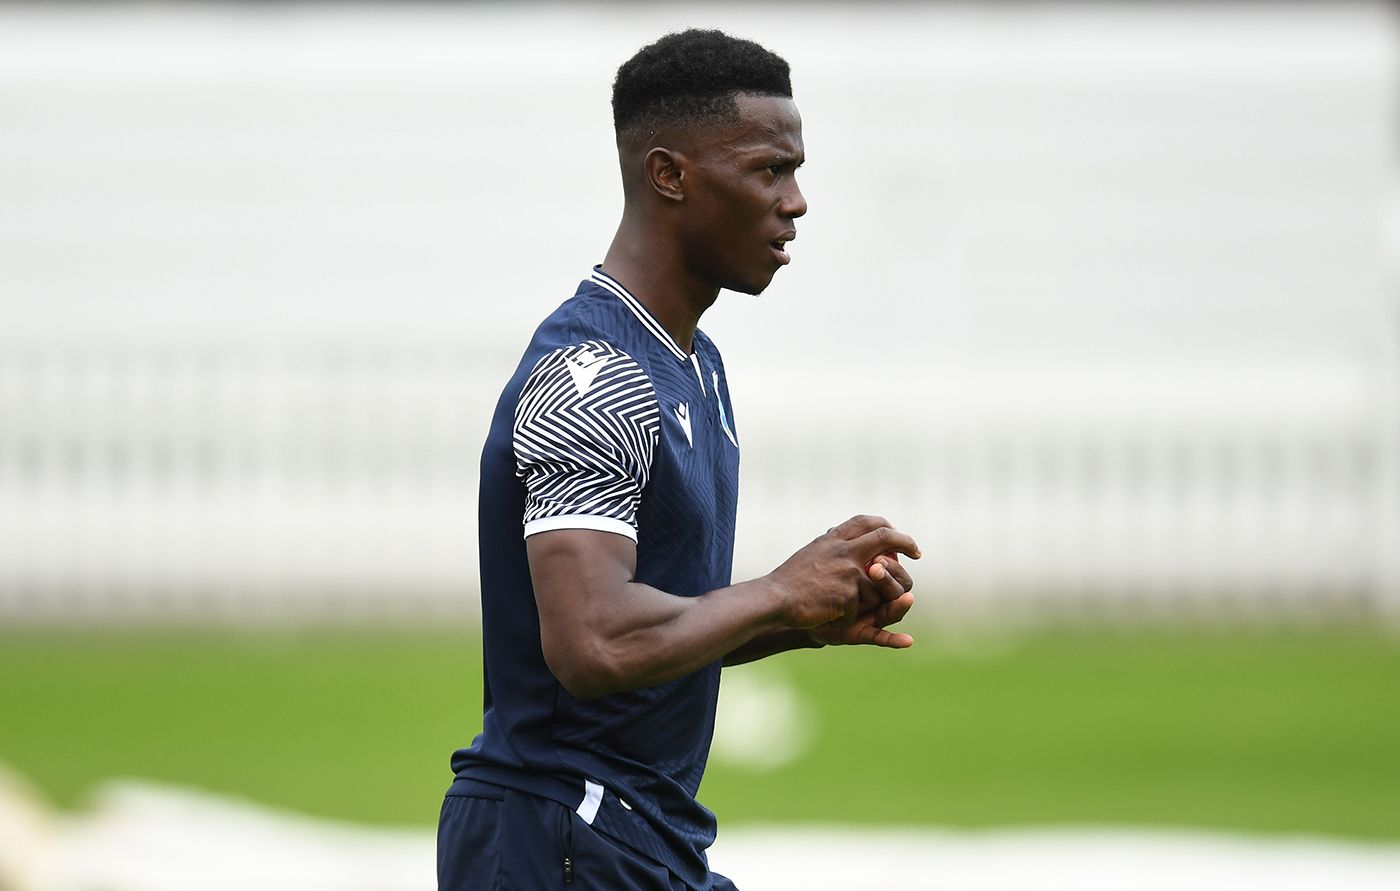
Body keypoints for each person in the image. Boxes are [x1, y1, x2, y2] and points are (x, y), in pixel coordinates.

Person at [438, 28, 921, 891]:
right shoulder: (595, 378)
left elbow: (654, 626)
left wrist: (790, 623)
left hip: (626, 830)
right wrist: (774, 590)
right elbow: (591, 642)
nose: (798, 201)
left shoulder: (696, 364)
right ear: (670, 175)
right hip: (559, 826)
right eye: (769, 170)